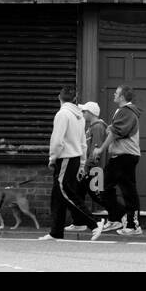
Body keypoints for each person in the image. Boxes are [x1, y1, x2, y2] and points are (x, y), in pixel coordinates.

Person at [41, 87, 98, 240]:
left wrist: (52, 159)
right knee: (57, 197)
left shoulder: (62, 114)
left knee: (66, 194)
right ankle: (56, 232)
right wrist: (82, 163)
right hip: (74, 159)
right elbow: (83, 143)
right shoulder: (79, 116)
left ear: (59, 97)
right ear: (75, 98)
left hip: (64, 158)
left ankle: (94, 224)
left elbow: (57, 141)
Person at [91, 85, 143, 239]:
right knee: (103, 186)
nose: (114, 94)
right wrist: (111, 130)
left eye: (116, 93)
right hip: (121, 156)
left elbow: (116, 132)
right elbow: (116, 131)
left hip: (125, 156)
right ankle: (116, 218)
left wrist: (100, 149)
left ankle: (133, 225)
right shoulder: (122, 112)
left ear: (122, 97)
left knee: (127, 191)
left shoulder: (127, 111)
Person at [71, 101, 109, 226]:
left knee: (97, 195)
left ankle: (120, 215)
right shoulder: (92, 127)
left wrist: (86, 168)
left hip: (95, 169)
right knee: (79, 194)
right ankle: (79, 222)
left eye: (84, 111)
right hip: (90, 168)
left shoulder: (98, 127)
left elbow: (95, 151)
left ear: (91, 113)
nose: (82, 113)